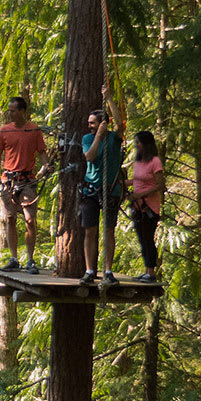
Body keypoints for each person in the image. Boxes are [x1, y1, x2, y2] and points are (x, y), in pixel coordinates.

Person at [0, 96, 49, 272]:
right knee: (10, 219)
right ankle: (14, 258)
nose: (10, 113)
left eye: (14, 110)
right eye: (10, 110)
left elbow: (42, 152)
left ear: (23, 111)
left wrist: (45, 166)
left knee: (30, 219)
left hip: (27, 180)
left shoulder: (33, 129)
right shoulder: (4, 130)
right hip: (8, 180)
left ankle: (31, 259)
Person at [76, 105, 123, 283]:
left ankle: (108, 271)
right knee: (90, 230)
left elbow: (121, 125)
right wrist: (98, 136)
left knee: (109, 230)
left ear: (103, 123)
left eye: (93, 123)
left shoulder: (114, 138)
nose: (90, 126)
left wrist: (109, 98)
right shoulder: (88, 138)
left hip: (110, 190)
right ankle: (89, 270)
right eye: (89, 123)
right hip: (91, 190)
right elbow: (90, 156)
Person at [128, 130, 163, 284]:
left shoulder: (155, 161)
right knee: (142, 239)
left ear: (146, 144)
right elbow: (136, 181)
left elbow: (160, 185)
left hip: (150, 207)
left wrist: (141, 194)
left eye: (138, 143)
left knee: (148, 239)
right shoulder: (138, 162)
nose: (136, 145)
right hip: (138, 208)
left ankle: (151, 271)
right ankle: (146, 271)